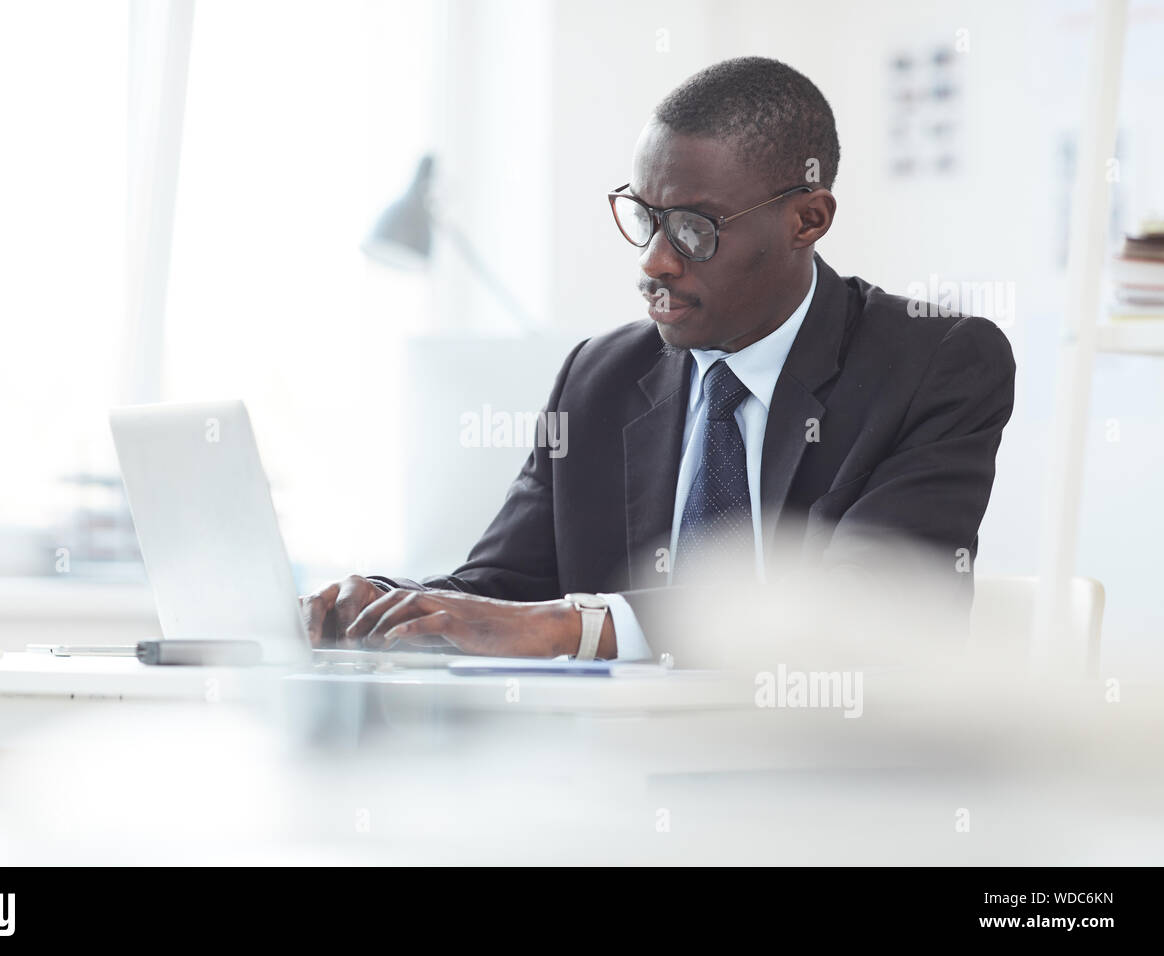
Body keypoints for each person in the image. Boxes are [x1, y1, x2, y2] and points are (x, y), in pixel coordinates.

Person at [300, 56, 1015, 662]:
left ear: (808, 219)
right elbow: (503, 590)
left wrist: (574, 626)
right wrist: (383, 603)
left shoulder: (936, 364)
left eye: (694, 229)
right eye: (644, 217)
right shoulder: (600, 377)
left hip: (827, 787)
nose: (655, 261)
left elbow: (861, 610)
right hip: (614, 780)